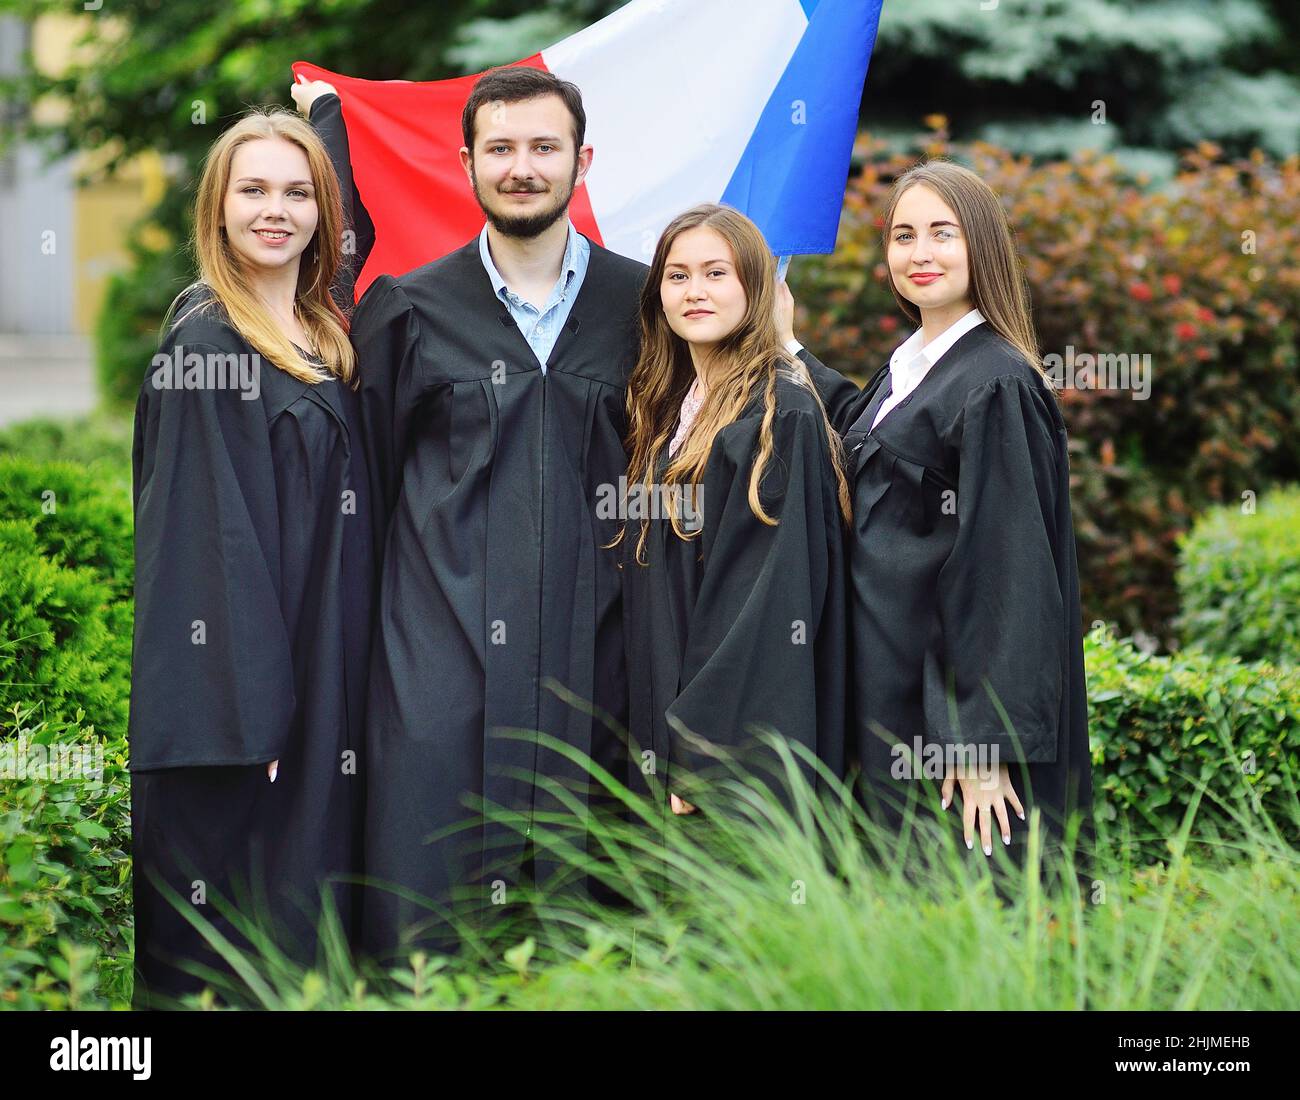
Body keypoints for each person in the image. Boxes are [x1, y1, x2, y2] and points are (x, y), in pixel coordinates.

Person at [295, 67, 648, 958]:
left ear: (582, 161)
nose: (522, 167)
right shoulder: (408, 309)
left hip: (601, 661)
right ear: (468, 163)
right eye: (501, 149)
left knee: (590, 923)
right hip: (436, 666)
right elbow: (360, 494)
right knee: (435, 925)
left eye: (543, 148)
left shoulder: (643, 307)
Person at [128, 109, 375, 1006]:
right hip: (250, 717)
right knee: (237, 955)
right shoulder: (208, 344)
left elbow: (361, 232)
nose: (277, 210)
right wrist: (245, 717)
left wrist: (331, 121)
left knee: (308, 947)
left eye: (298, 192)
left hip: (321, 683)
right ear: (217, 206)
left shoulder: (319, 328)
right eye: (254, 190)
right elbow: (201, 541)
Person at [788, 160, 1093, 860]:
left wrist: (984, 743)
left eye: (941, 233)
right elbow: (864, 441)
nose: (919, 254)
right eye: (903, 236)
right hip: (888, 695)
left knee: (963, 904)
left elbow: (1006, 569)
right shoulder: (913, 367)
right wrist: (788, 346)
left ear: (980, 244)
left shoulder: (995, 382)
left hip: (946, 721)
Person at [618, 204, 852, 825]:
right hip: (670, 714)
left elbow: (764, 600)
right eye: (677, 275)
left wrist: (704, 749)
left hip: (732, 752)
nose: (695, 291)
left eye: (716, 273)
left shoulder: (778, 414)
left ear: (757, 289)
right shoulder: (674, 407)